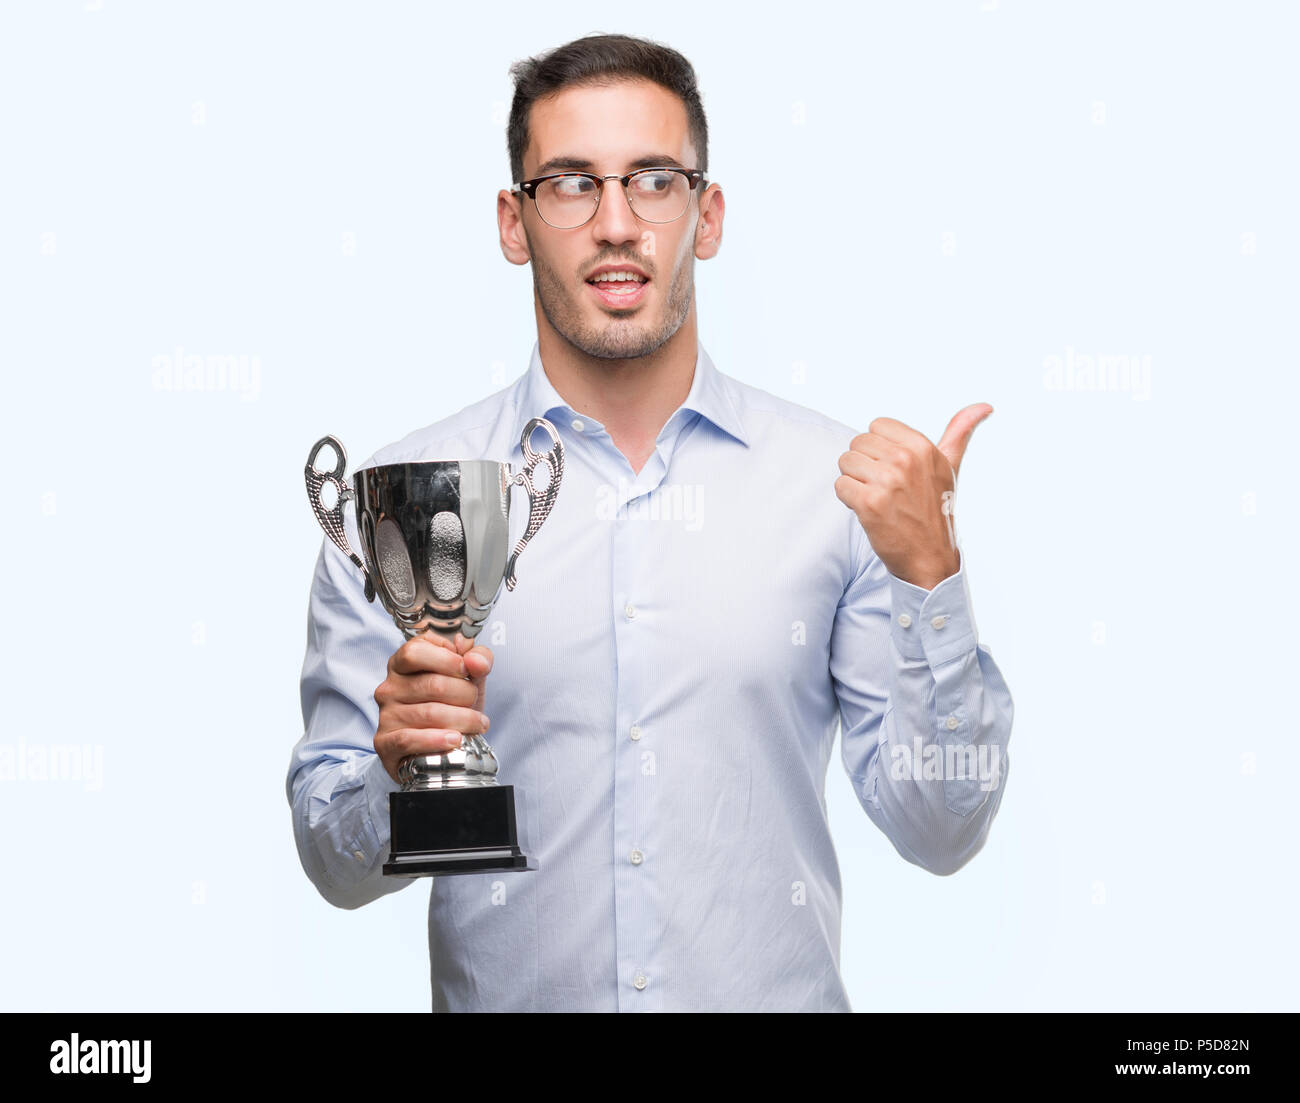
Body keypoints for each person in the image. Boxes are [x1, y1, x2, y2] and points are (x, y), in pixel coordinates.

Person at [287, 32, 1014, 1012]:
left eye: (654, 180)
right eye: (572, 183)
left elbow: (941, 829)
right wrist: (405, 775)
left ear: (704, 215)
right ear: (515, 221)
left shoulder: (837, 496)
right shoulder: (404, 504)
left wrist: (933, 579)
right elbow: (336, 866)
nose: (617, 222)